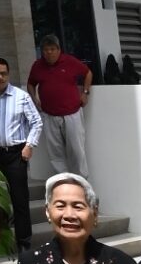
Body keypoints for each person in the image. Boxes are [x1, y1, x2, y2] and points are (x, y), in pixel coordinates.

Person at [0, 56, 42, 257]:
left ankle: (24, 241)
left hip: (15, 153)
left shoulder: (21, 96)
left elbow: (37, 122)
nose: (0, 77)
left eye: (4, 73)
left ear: (9, 74)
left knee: (19, 199)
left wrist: (29, 145)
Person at [29, 31, 93, 182]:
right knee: (55, 154)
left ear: (58, 50)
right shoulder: (38, 65)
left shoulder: (69, 61)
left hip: (72, 114)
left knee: (77, 151)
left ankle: (81, 183)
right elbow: (31, 83)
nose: (49, 52)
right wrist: (34, 98)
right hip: (49, 115)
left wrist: (85, 92)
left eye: (52, 49)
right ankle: (63, 182)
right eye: (45, 49)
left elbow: (88, 73)